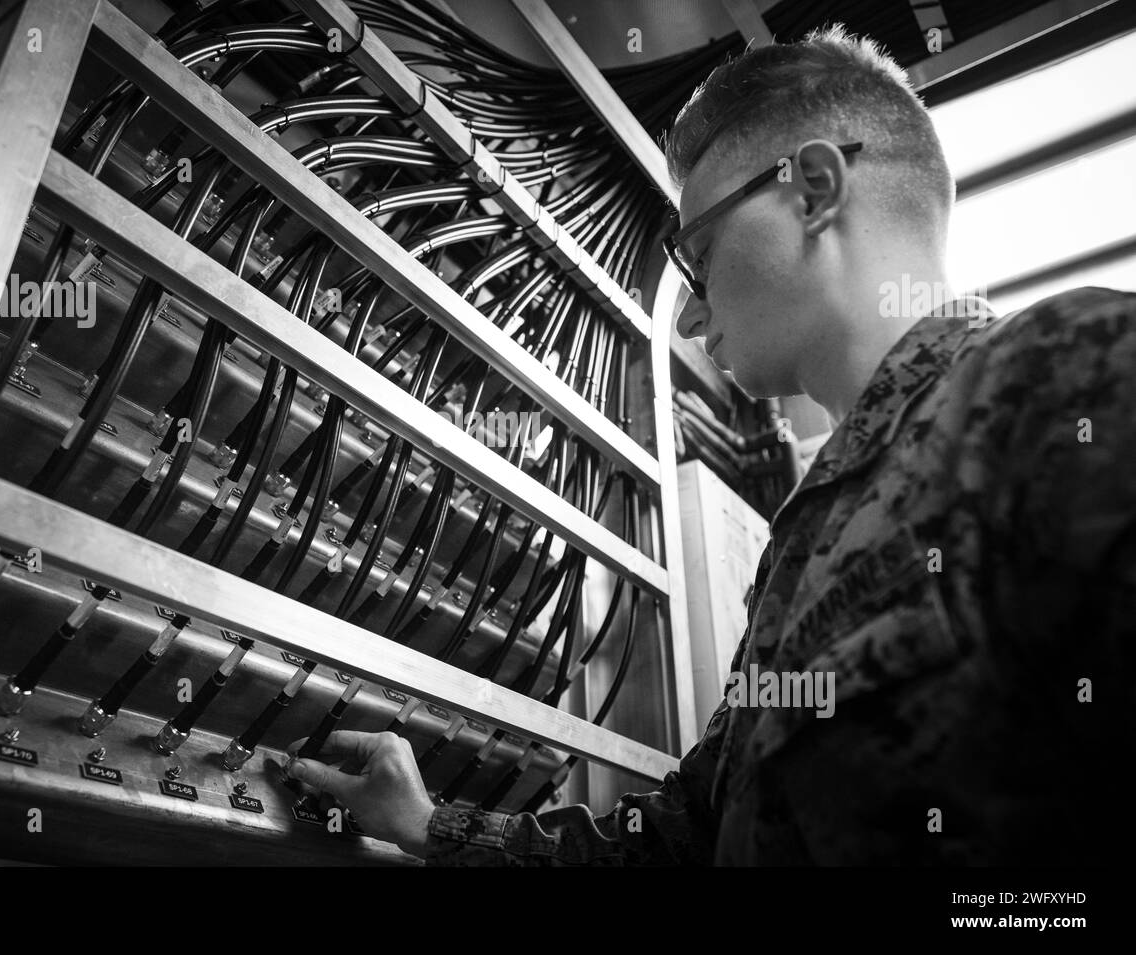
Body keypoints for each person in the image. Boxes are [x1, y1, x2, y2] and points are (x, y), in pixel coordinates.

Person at [282, 24, 1136, 865]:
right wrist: (434, 829)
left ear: (812, 189)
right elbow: (685, 835)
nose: (690, 312)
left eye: (697, 255)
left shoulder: (1075, 371)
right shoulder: (800, 547)